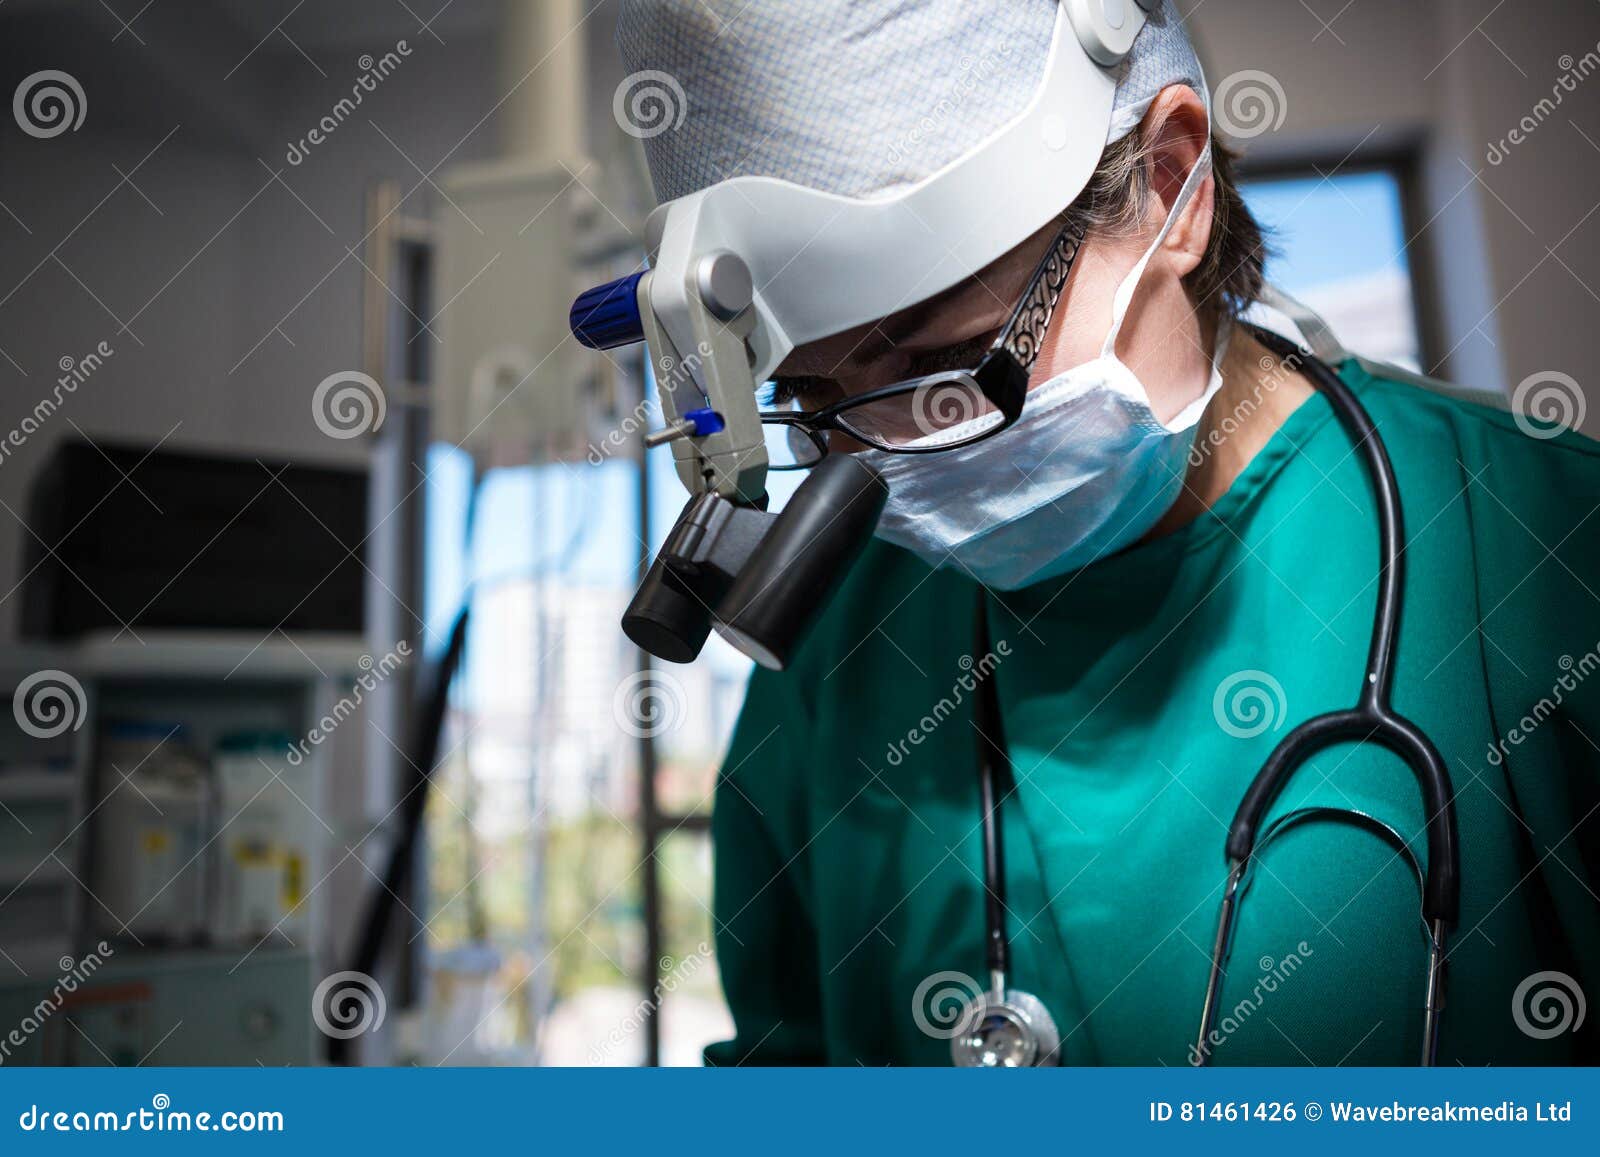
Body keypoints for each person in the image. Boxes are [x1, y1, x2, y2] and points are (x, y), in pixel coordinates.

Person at [616, 0, 1600, 1064]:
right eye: (815, 399)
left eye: (937, 368)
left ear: (1171, 186)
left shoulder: (1542, 547)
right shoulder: (832, 659)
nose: (892, 456)